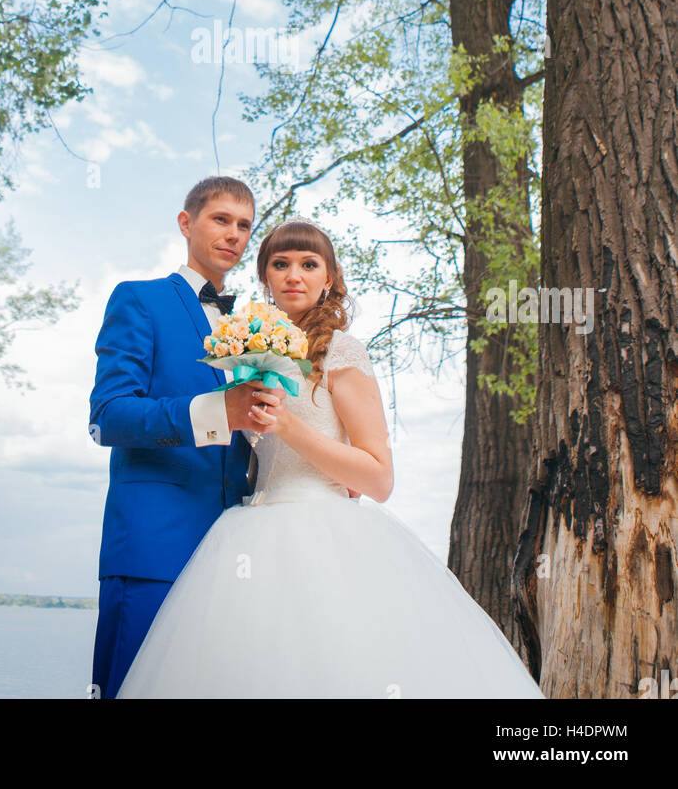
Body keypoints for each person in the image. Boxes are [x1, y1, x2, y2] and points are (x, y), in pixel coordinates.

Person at [116, 218, 546, 699]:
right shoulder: (248, 355)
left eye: (308, 264)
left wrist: (290, 426)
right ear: (265, 279)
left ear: (329, 279)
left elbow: (379, 478)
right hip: (246, 532)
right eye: (280, 264)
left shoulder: (344, 354)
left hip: (324, 533)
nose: (293, 275)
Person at [88, 176, 286, 699]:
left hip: (233, 556)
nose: (235, 235)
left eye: (245, 226)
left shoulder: (253, 328)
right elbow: (108, 416)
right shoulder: (138, 300)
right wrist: (217, 410)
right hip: (155, 549)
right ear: (186, 223)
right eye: (221, 219)